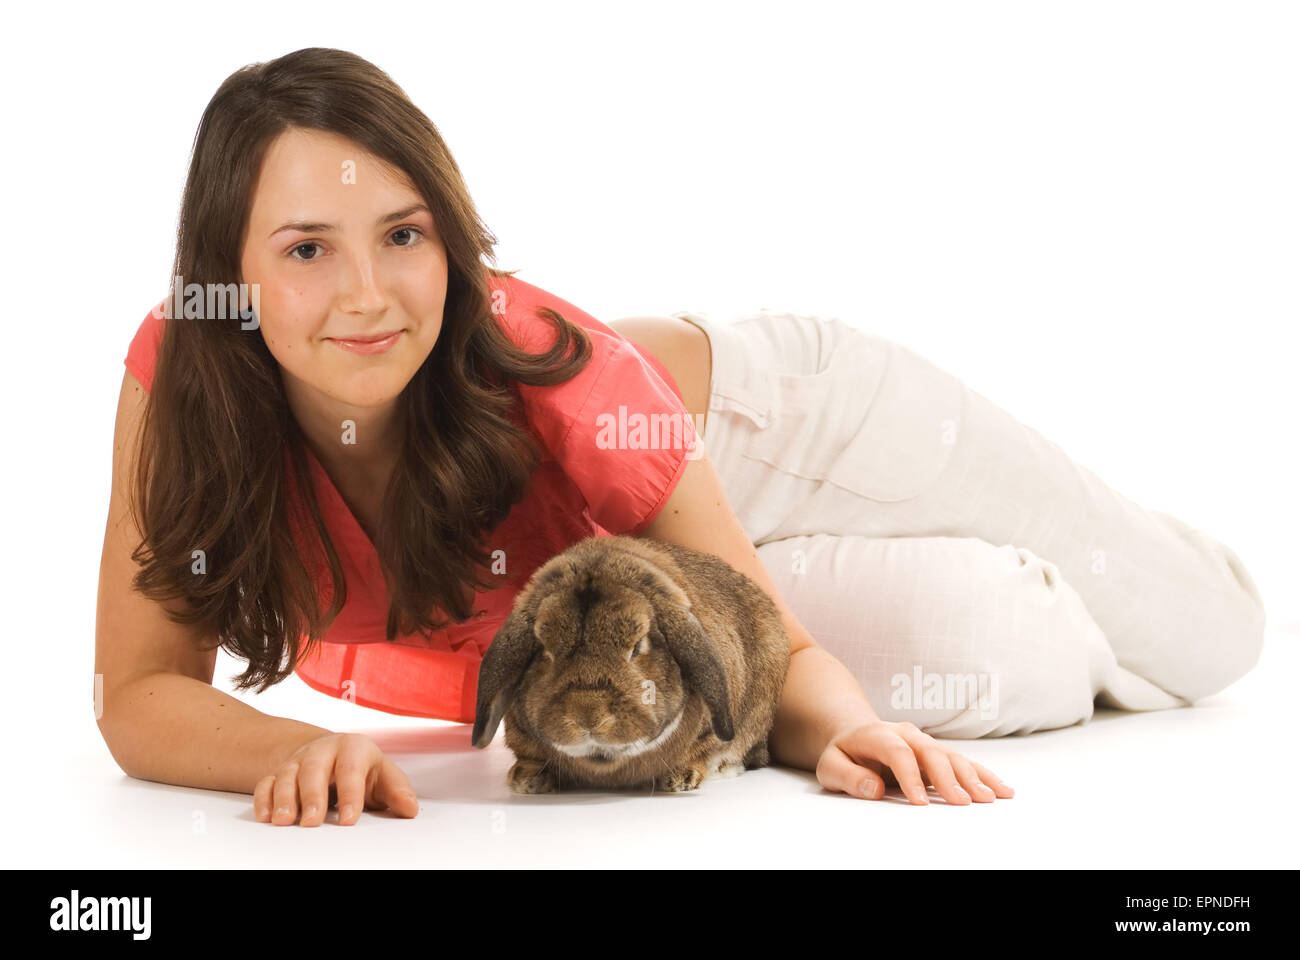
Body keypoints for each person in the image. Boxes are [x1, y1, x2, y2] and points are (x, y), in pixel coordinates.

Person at [97, 47, 1264, 827]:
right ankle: (1056, 618)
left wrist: (830, 711)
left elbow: (771, 635)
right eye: (306, 249)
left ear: (449, 237)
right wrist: (281, 752)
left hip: (776, 434)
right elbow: (136, 688)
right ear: (227, 280)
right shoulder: (184, 386)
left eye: (403, 235)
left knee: (1213, 636)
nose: (368, 294)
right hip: (653, 597)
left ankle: (1118, 576)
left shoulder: (548, 371)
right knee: (993, 639)